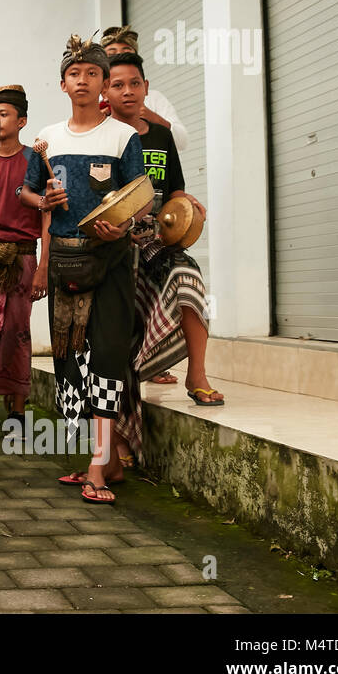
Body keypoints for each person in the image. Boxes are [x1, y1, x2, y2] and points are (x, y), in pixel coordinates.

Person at [21, 36, 144, 504]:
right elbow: (26, 194)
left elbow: (141, 195)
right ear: (63, 83)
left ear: (105, 86)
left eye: (94, 74)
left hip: (110, 260)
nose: (84, 81)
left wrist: (125, 223)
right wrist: (43, 200)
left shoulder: (123, 137)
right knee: (72, 358)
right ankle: (99, 459)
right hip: (66, 261)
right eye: (76, 73)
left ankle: (97, 465)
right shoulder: (47, 139)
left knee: (108, 355)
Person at [104, 51, 224, 407]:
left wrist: (187, 206)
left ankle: (197, 375)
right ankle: (125, 402)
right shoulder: (101, 136)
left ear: (146, 88)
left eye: (135, 83)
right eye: (118, 85)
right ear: (105, 93)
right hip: (114, 244)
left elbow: (174, 188)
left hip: (157, 240)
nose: (128, 91)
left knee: (189, 278)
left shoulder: (161, 136)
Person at [0, 85, 47, 422]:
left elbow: (48, 215)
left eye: (3, 114)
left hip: (21, 257)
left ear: (22, 121)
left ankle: (18, 407)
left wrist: (43, 268)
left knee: (17, 332)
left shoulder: (35, 160)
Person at [101, 25, 189, 154]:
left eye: (126, 52)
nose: (119, 56)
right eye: (111, 54)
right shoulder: (95, 105)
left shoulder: (154, 98)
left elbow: (182, 142)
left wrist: (153, 118)